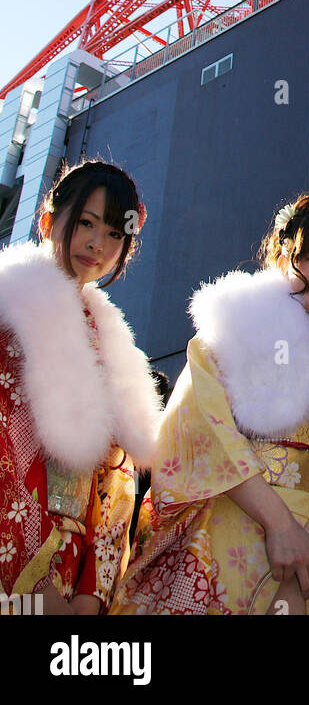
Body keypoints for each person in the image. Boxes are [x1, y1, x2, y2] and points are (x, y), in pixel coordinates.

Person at [112, 192, 309, 615]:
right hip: (223, 521)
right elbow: (200, 424)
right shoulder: (235, 325)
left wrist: (306, 567)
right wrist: (278, 523)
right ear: (284, 258)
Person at [0, 159, 161, 614]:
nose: (98, 244)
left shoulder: (108, 338)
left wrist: (92, 592)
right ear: (48, 220)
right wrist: (36, 585)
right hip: (12, 550)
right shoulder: (9, 312)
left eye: (114, 233)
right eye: (87, 223)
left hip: (74, 563)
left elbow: (117, 477)